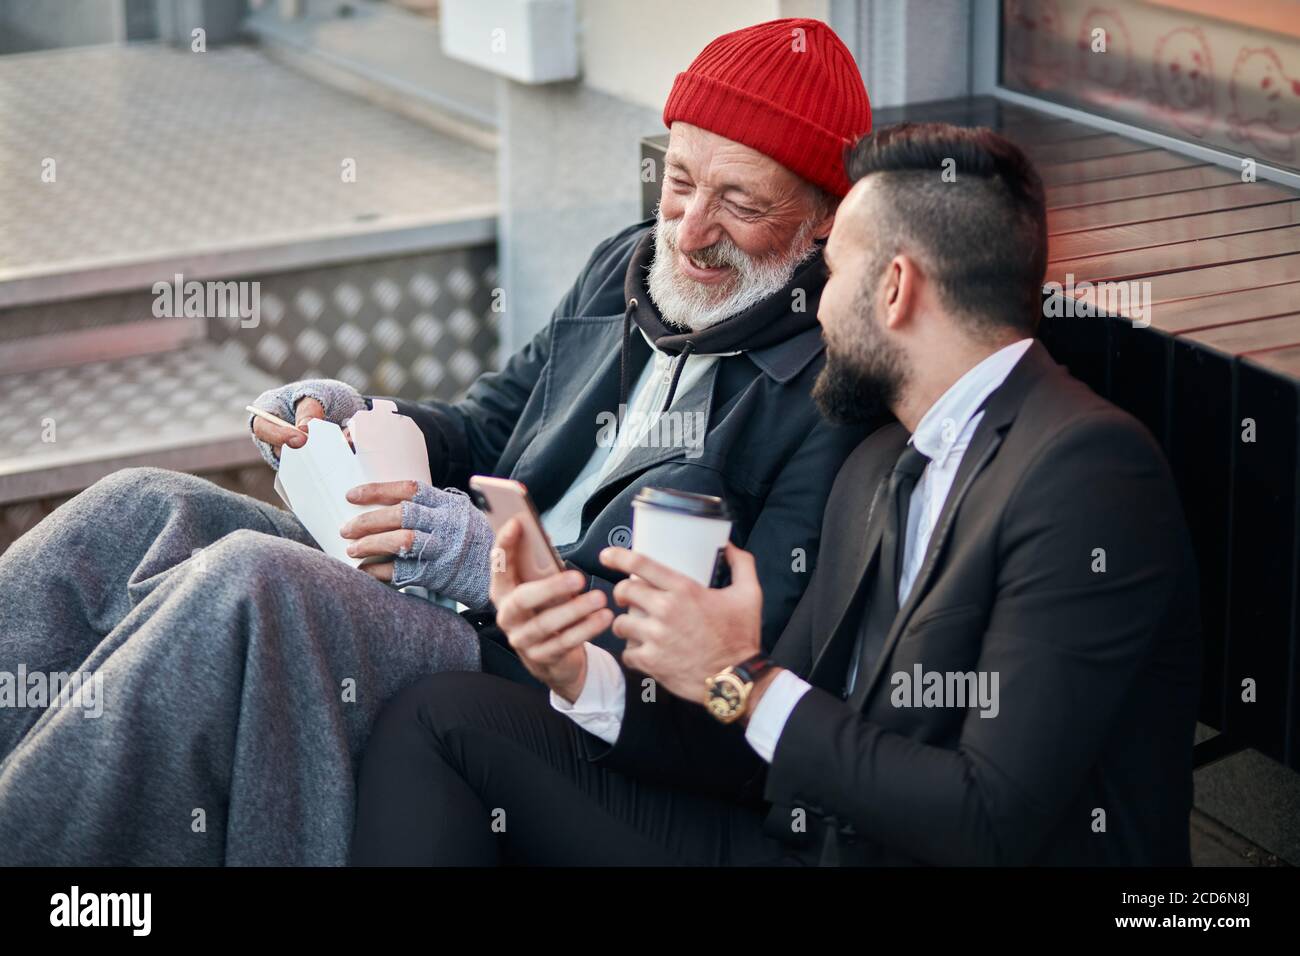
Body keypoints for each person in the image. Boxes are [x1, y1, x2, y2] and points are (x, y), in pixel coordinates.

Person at [0, 19, 876, 865]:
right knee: (141, 505)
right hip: (449, 585)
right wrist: (355, 418)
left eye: (739, 203)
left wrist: (489, 568)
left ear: (825, 219)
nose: (688, 232)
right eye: (679, 181)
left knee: (251, 584)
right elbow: (489, 424)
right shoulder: (627, 265)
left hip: (537, 670)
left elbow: (708, 664)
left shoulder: (828, 396)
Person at [350, 122, 1202, 866]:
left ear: (895, 289)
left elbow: (990, 818)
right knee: (444, 719)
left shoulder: (1086, 471)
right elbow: (756, 720)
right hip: (802, 838)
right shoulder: (879, 464)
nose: (816, 308)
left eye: (831, 273)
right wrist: (580, 670)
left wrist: (743, 680)